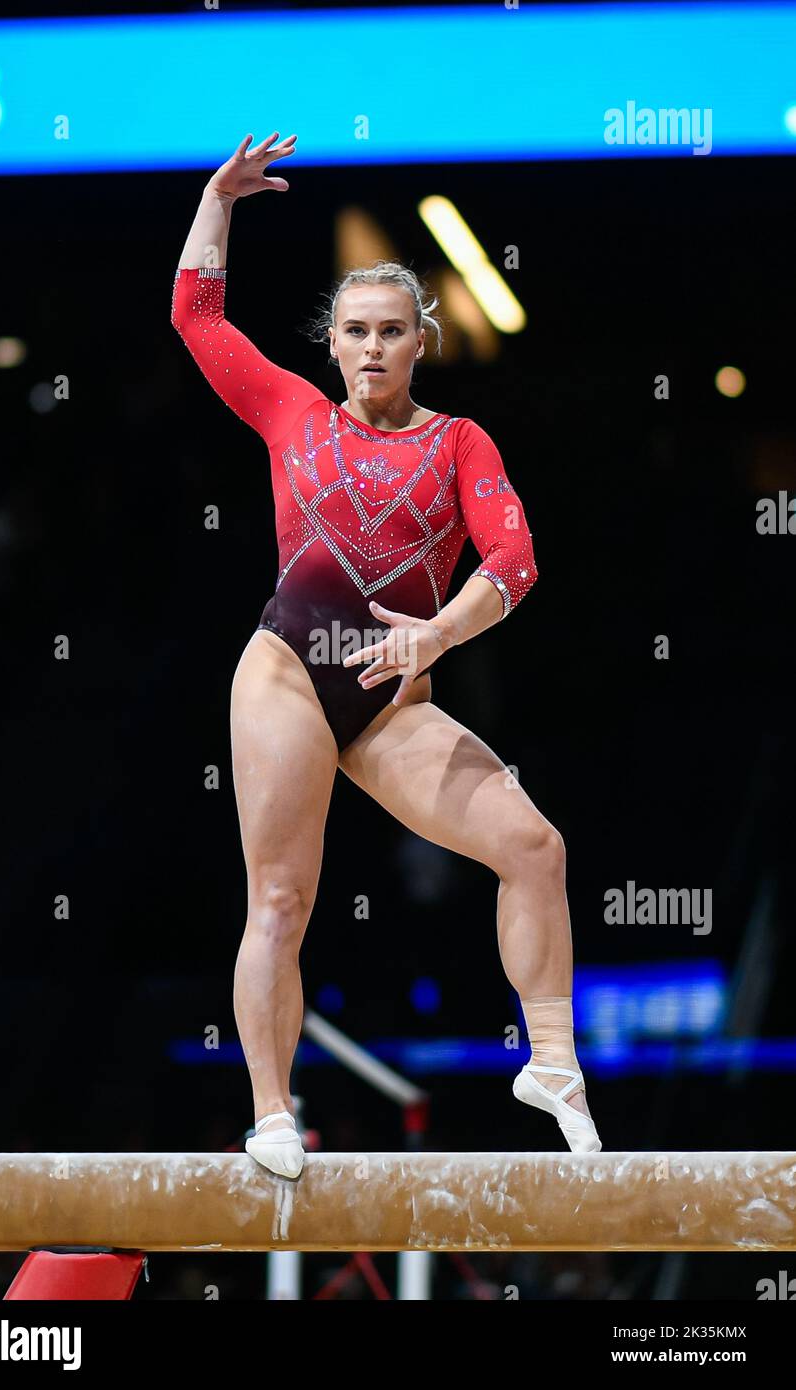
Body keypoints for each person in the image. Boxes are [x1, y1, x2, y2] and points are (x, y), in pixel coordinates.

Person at [172, 132, 601, 1178]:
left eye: (391, 332)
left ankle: (549, 1060)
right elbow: (197, 317)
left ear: (422, 341)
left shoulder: (458, 444)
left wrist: (435, 633)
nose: (370, 348)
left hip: (386, 702)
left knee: (533, 847)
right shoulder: (290, 414)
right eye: (354, 330)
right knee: (279, 898)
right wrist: (216, 201)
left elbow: (516, 560)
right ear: (331, 344)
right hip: (283, 674)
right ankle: (272, 1111)